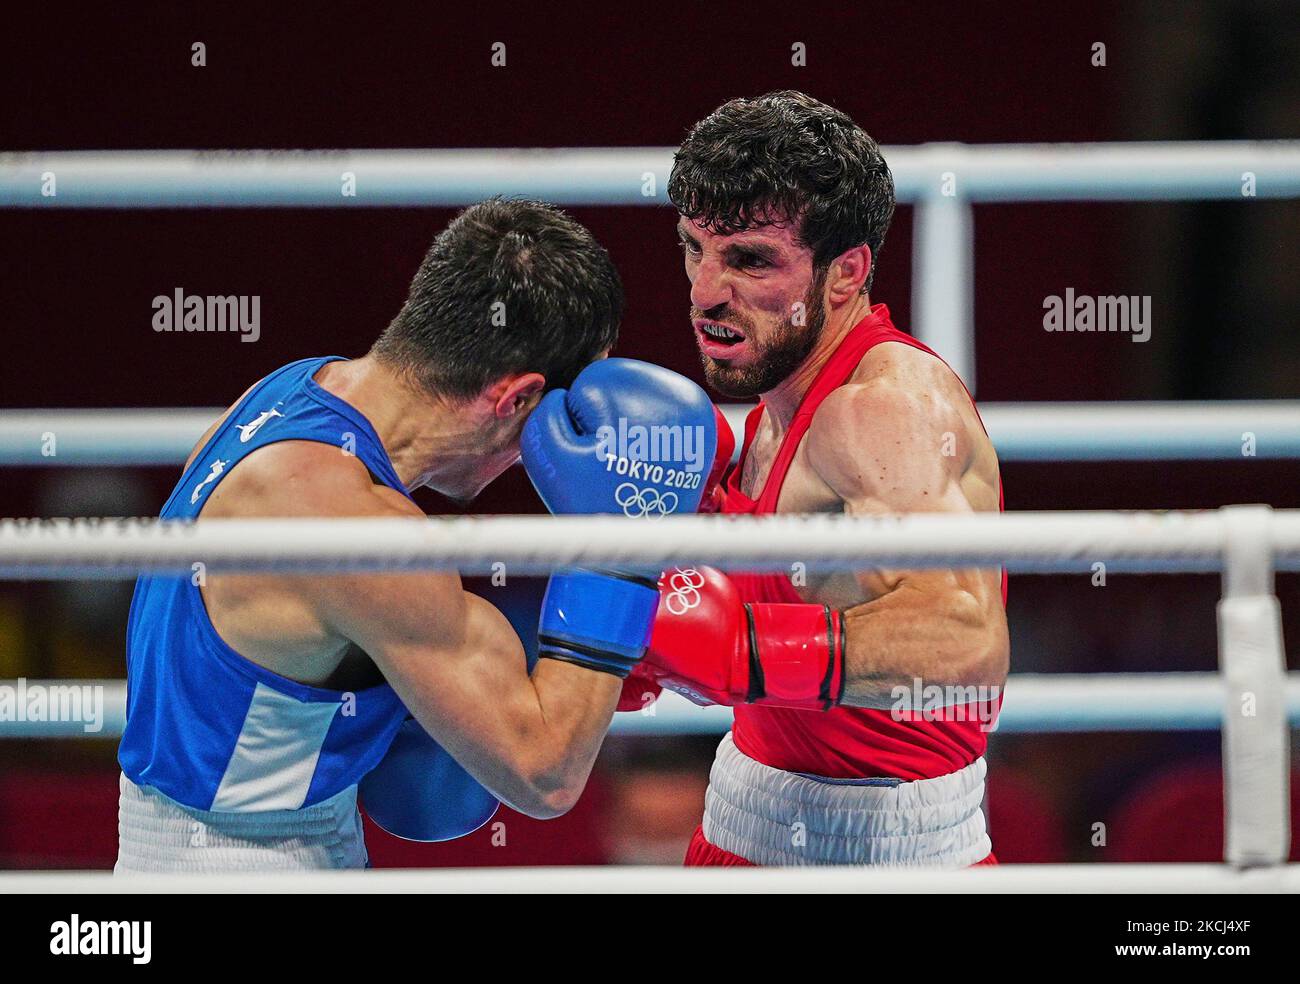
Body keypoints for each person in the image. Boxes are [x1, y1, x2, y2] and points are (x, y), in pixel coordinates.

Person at [116, 197, 716, 872]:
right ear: (515, 399)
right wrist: (620, 553)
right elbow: (546, 773)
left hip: (192, 843)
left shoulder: (286, 392)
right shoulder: (362, 534)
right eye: (548, 420)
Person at [623, 91, 1010, 867]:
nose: (704, 291)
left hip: (886, 851)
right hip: (741, 814)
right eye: (694, 247)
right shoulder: (771, 406)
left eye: (751, 260)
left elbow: (966, 640)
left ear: (846, 274)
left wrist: (748, 652)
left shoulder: (880, 408)